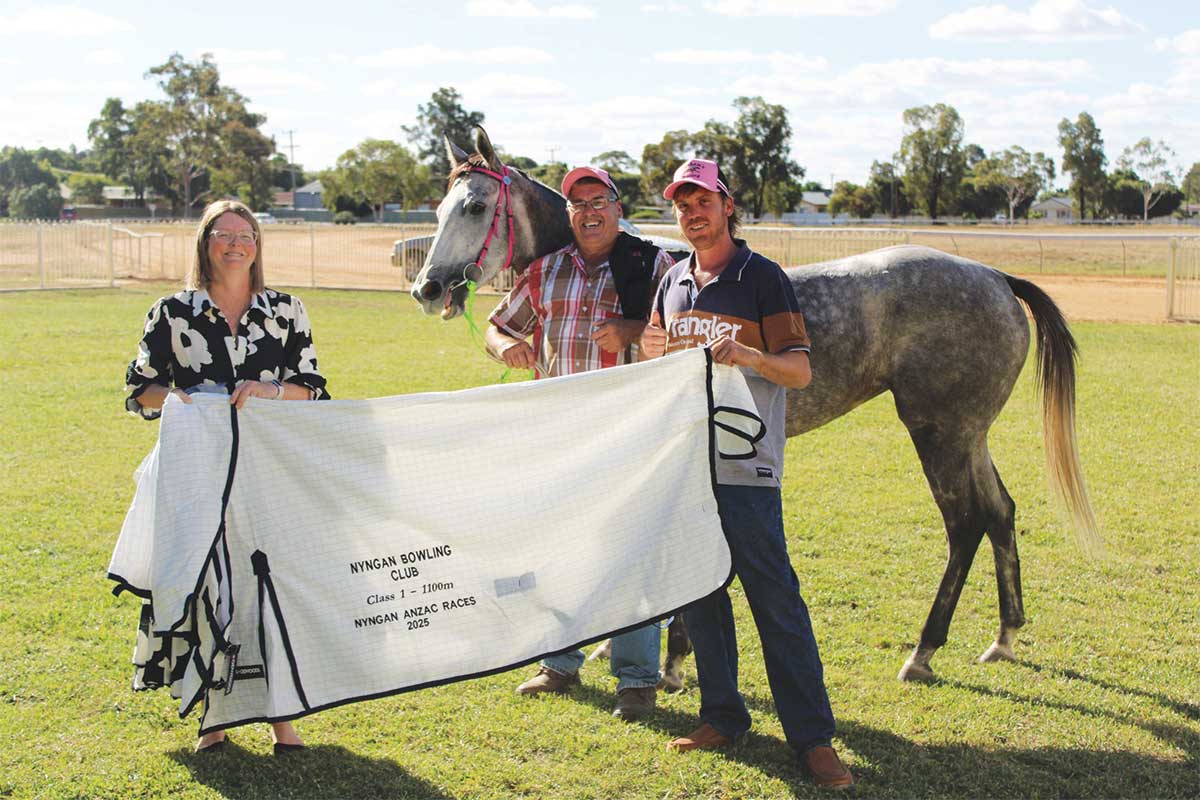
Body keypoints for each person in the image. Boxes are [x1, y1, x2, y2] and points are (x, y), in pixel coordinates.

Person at [640, 159, 854, 789]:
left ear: (726, 206)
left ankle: (813, 740)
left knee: (774, 600)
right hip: (686, 468)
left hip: (746, 467)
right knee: (702, 594)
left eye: (701, 201)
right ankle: (723, 717)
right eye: (681, 205)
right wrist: (661, 347)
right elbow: (653, 349)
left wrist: (750, 355)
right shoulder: (673, 280)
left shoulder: (763, 278)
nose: (691, 214)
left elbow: (800, 371)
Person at [124, 199, 330, 753]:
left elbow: (313, 387)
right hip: (197, 472)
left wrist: (268, 389)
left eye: (247, 236)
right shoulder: (173, 311)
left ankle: (283, 717)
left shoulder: (287, 310)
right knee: (207, 580)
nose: (237, 244)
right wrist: (180, 400)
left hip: (268, 472)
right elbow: (140, 387)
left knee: (268, 583)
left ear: (257, 246)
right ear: (205, 241)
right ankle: (212, 715)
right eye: (225, 235)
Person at [484, 166, 675, 721]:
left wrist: (635, 332)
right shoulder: (545, 272)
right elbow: (500, 326)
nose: (589, 213)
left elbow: (689, 331)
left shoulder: (655, 265)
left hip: (631, 432)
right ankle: (559, 662)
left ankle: (637, 679)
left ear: (618, 208)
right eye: (577, 204)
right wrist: (504, 350)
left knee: (631, 552)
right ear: (568, 215)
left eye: (599, 201)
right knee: (560, 548)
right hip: (559, 435)